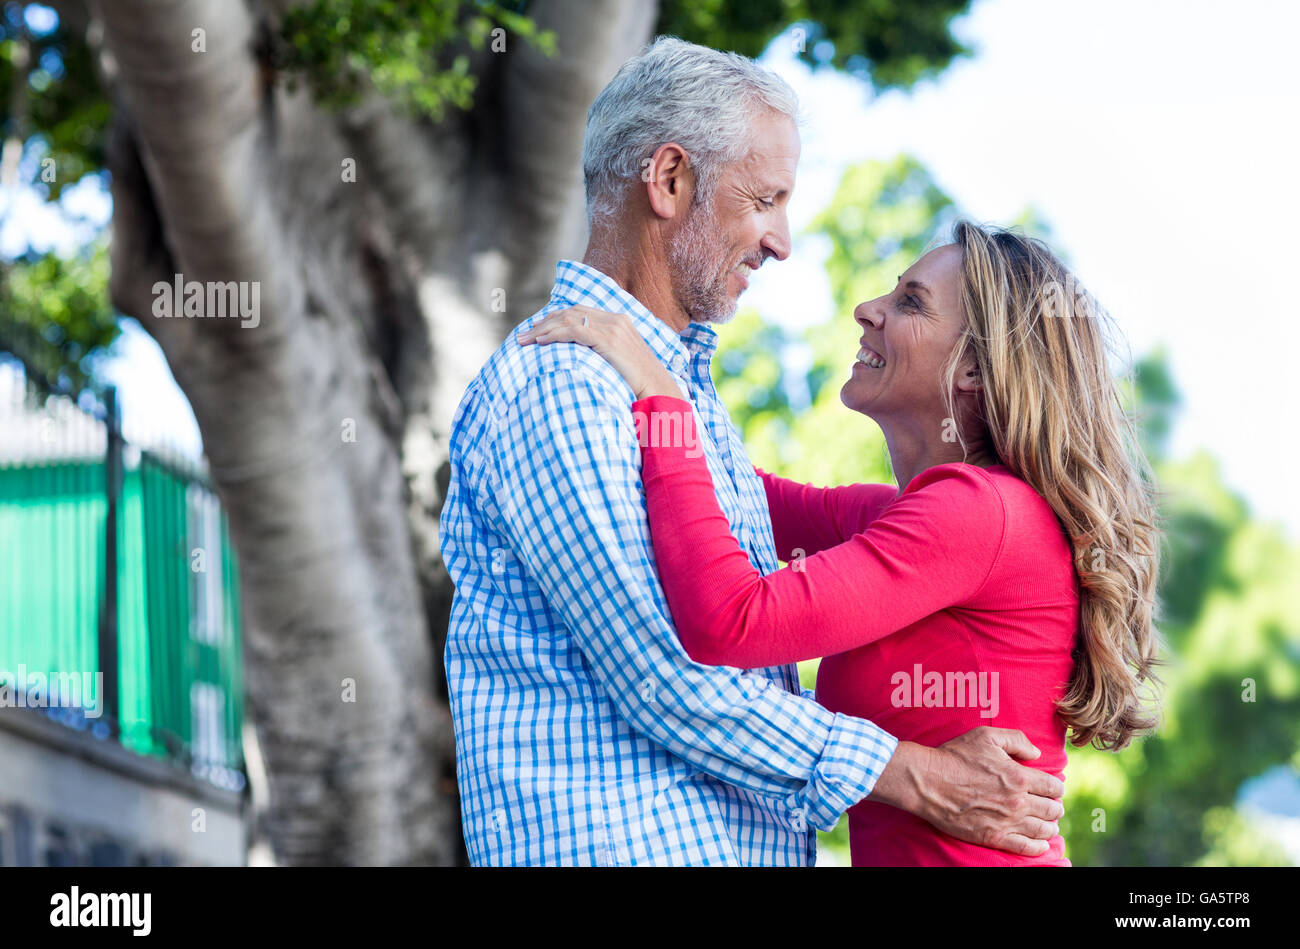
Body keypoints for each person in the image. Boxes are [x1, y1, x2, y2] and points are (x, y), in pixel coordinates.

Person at [441, 36, 1065, 867]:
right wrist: (915, 774)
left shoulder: (674, 403)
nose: (782, 242)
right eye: (765, 199)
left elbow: (737, 596)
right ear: (668, 182)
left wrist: (664, 398)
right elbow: (671, 676)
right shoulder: (568, 387)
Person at [520, 220, 1165, 864]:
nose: (867, 310)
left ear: (973, 366)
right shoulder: (914, 517)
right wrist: (643, 375)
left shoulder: (978, 516)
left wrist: (661, 397)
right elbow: (733, 496)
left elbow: (729, 620)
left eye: (911, 302)